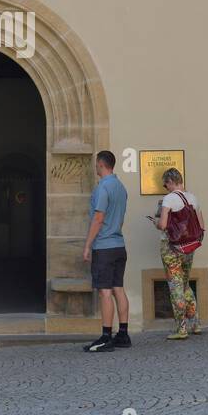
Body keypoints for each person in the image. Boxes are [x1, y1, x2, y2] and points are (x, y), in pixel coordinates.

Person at [82, 150, 129, 352]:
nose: (95, 168)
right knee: (118, 288)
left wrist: (87, 245)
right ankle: (124, 334)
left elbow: (98, 218)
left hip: (104, 246)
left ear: (101, 165)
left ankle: (106, 336)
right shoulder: (121, 187)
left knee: (105, 292)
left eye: (96, 164)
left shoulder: (103, 188)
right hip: (119, 245)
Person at [151, 168, 205, 340]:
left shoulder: (169, 199)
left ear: (170, 182)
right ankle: (195, 323)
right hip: (189, 248)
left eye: (165, 184)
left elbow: (163, 225)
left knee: (175, 287)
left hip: (171, 248)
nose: (165, 187)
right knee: (185, 284)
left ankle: (181, 328)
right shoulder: (193, 198)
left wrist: (155, 222)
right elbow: (202, 226)